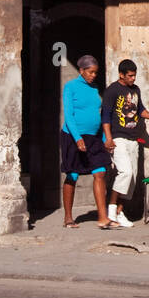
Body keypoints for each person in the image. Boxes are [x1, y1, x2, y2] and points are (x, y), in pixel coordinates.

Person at [101, 60, 149, 229]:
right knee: (125, 172)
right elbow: (106, 116)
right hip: (118, 138)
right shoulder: (112, 91)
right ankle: (111, 210)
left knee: (132, 178)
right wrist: (108, 138)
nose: (133, 78)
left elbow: (140, 110)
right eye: (130, 75)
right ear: (121, 74)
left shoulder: (135, 90)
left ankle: (120, 212)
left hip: (133, 139)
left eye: (134, 75)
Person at [59, 56, 113, 229]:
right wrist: (77, 138)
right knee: (72, 175)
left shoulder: (95, 88)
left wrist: (104, 139)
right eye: (90, 72)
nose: (93, 75)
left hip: (94, 137)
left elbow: (98, 113)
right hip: (73, 136)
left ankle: (103, 217)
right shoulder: (70, 87)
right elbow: (68, 115)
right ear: (81, 71)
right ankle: (68, 217)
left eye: (95, 72)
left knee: (100, 172)